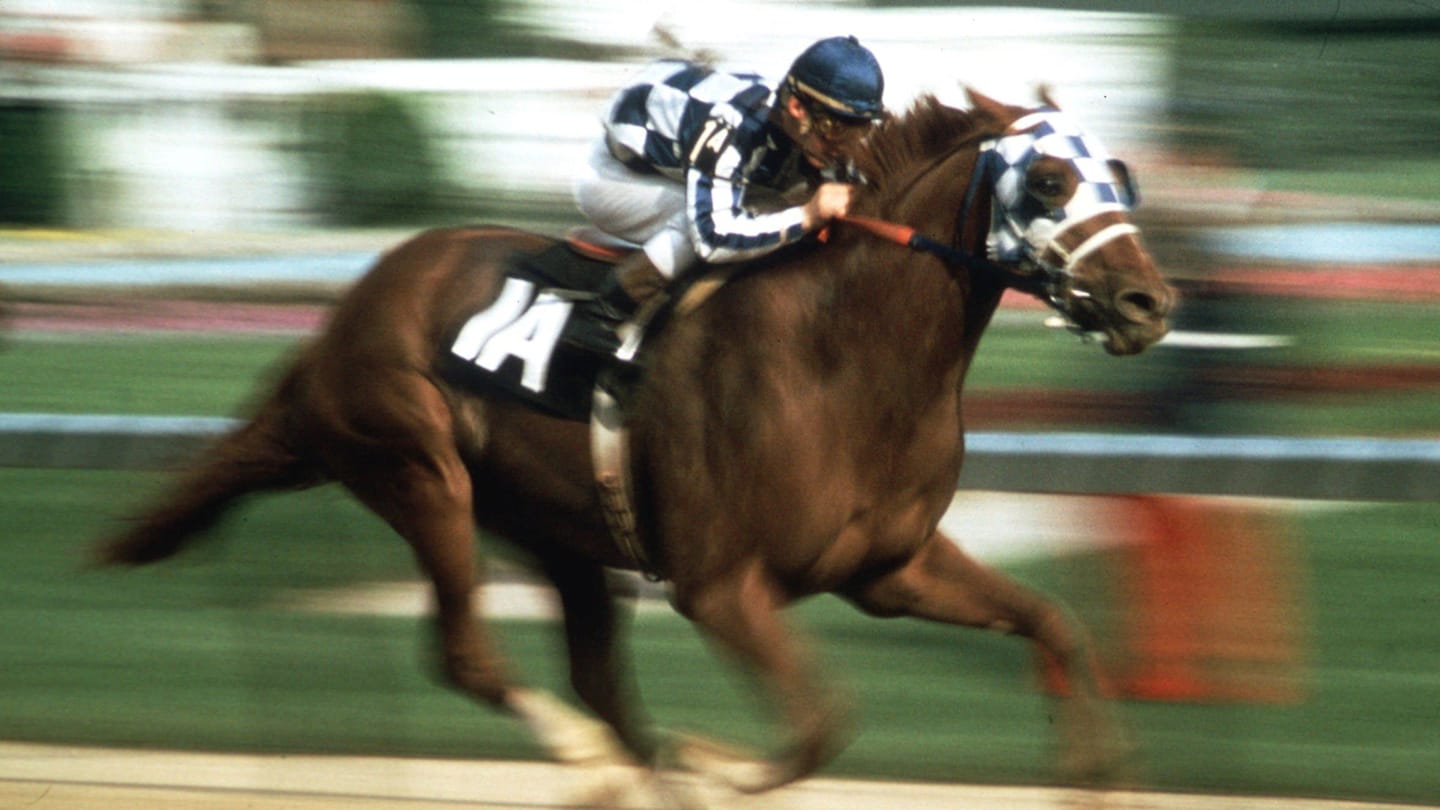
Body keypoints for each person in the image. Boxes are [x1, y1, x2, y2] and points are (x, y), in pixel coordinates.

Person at [569, 35, 886, 356]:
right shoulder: (731, 125)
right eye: (835, 130)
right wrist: (808, 216)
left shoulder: (811, 131)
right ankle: (605, 314)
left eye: (860, 130)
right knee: (714, 219)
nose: (845, 148)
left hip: (672, 156)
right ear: (796, 108)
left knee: (772, 207)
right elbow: (712, 237)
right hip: (612, 177)